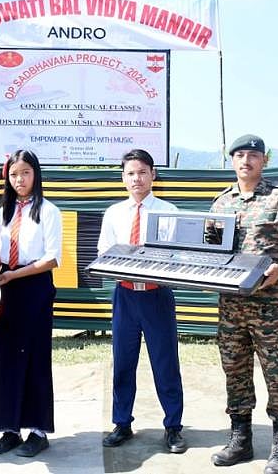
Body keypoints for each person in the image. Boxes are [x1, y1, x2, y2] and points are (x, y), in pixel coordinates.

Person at [208, 134, 278, 474]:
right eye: (239, 155)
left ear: (264, 161)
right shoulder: (220, 203)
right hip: (231, 306)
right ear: (232, 161)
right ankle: (240, 439)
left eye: (253, 155)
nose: (246, 161)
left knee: (276, 373)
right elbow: (210, 248)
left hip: (270, 307)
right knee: (235, 372)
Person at [97, 149, 187, 454]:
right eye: (130, 173)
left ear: (153, 175)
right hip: (125, 296)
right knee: (123, 362)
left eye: (142, 172)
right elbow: (105, 254)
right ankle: (122, 423)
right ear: (123, 178)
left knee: (165, 363)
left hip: (157, 296)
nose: (136, 178)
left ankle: (173, 427)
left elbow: (175, 256)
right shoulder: (114, 213)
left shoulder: (169, 211)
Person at [0, 149, 62, 458]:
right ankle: (9, 429)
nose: (20, 179)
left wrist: (16, 275)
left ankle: (38, 431)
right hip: (3, 286)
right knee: (4, 356)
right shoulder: (2, 211)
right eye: (14, 174)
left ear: (36, 174)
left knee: (34, 357)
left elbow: (51, 259)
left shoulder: (48, 210)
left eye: (26, 173)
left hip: (33, 286)